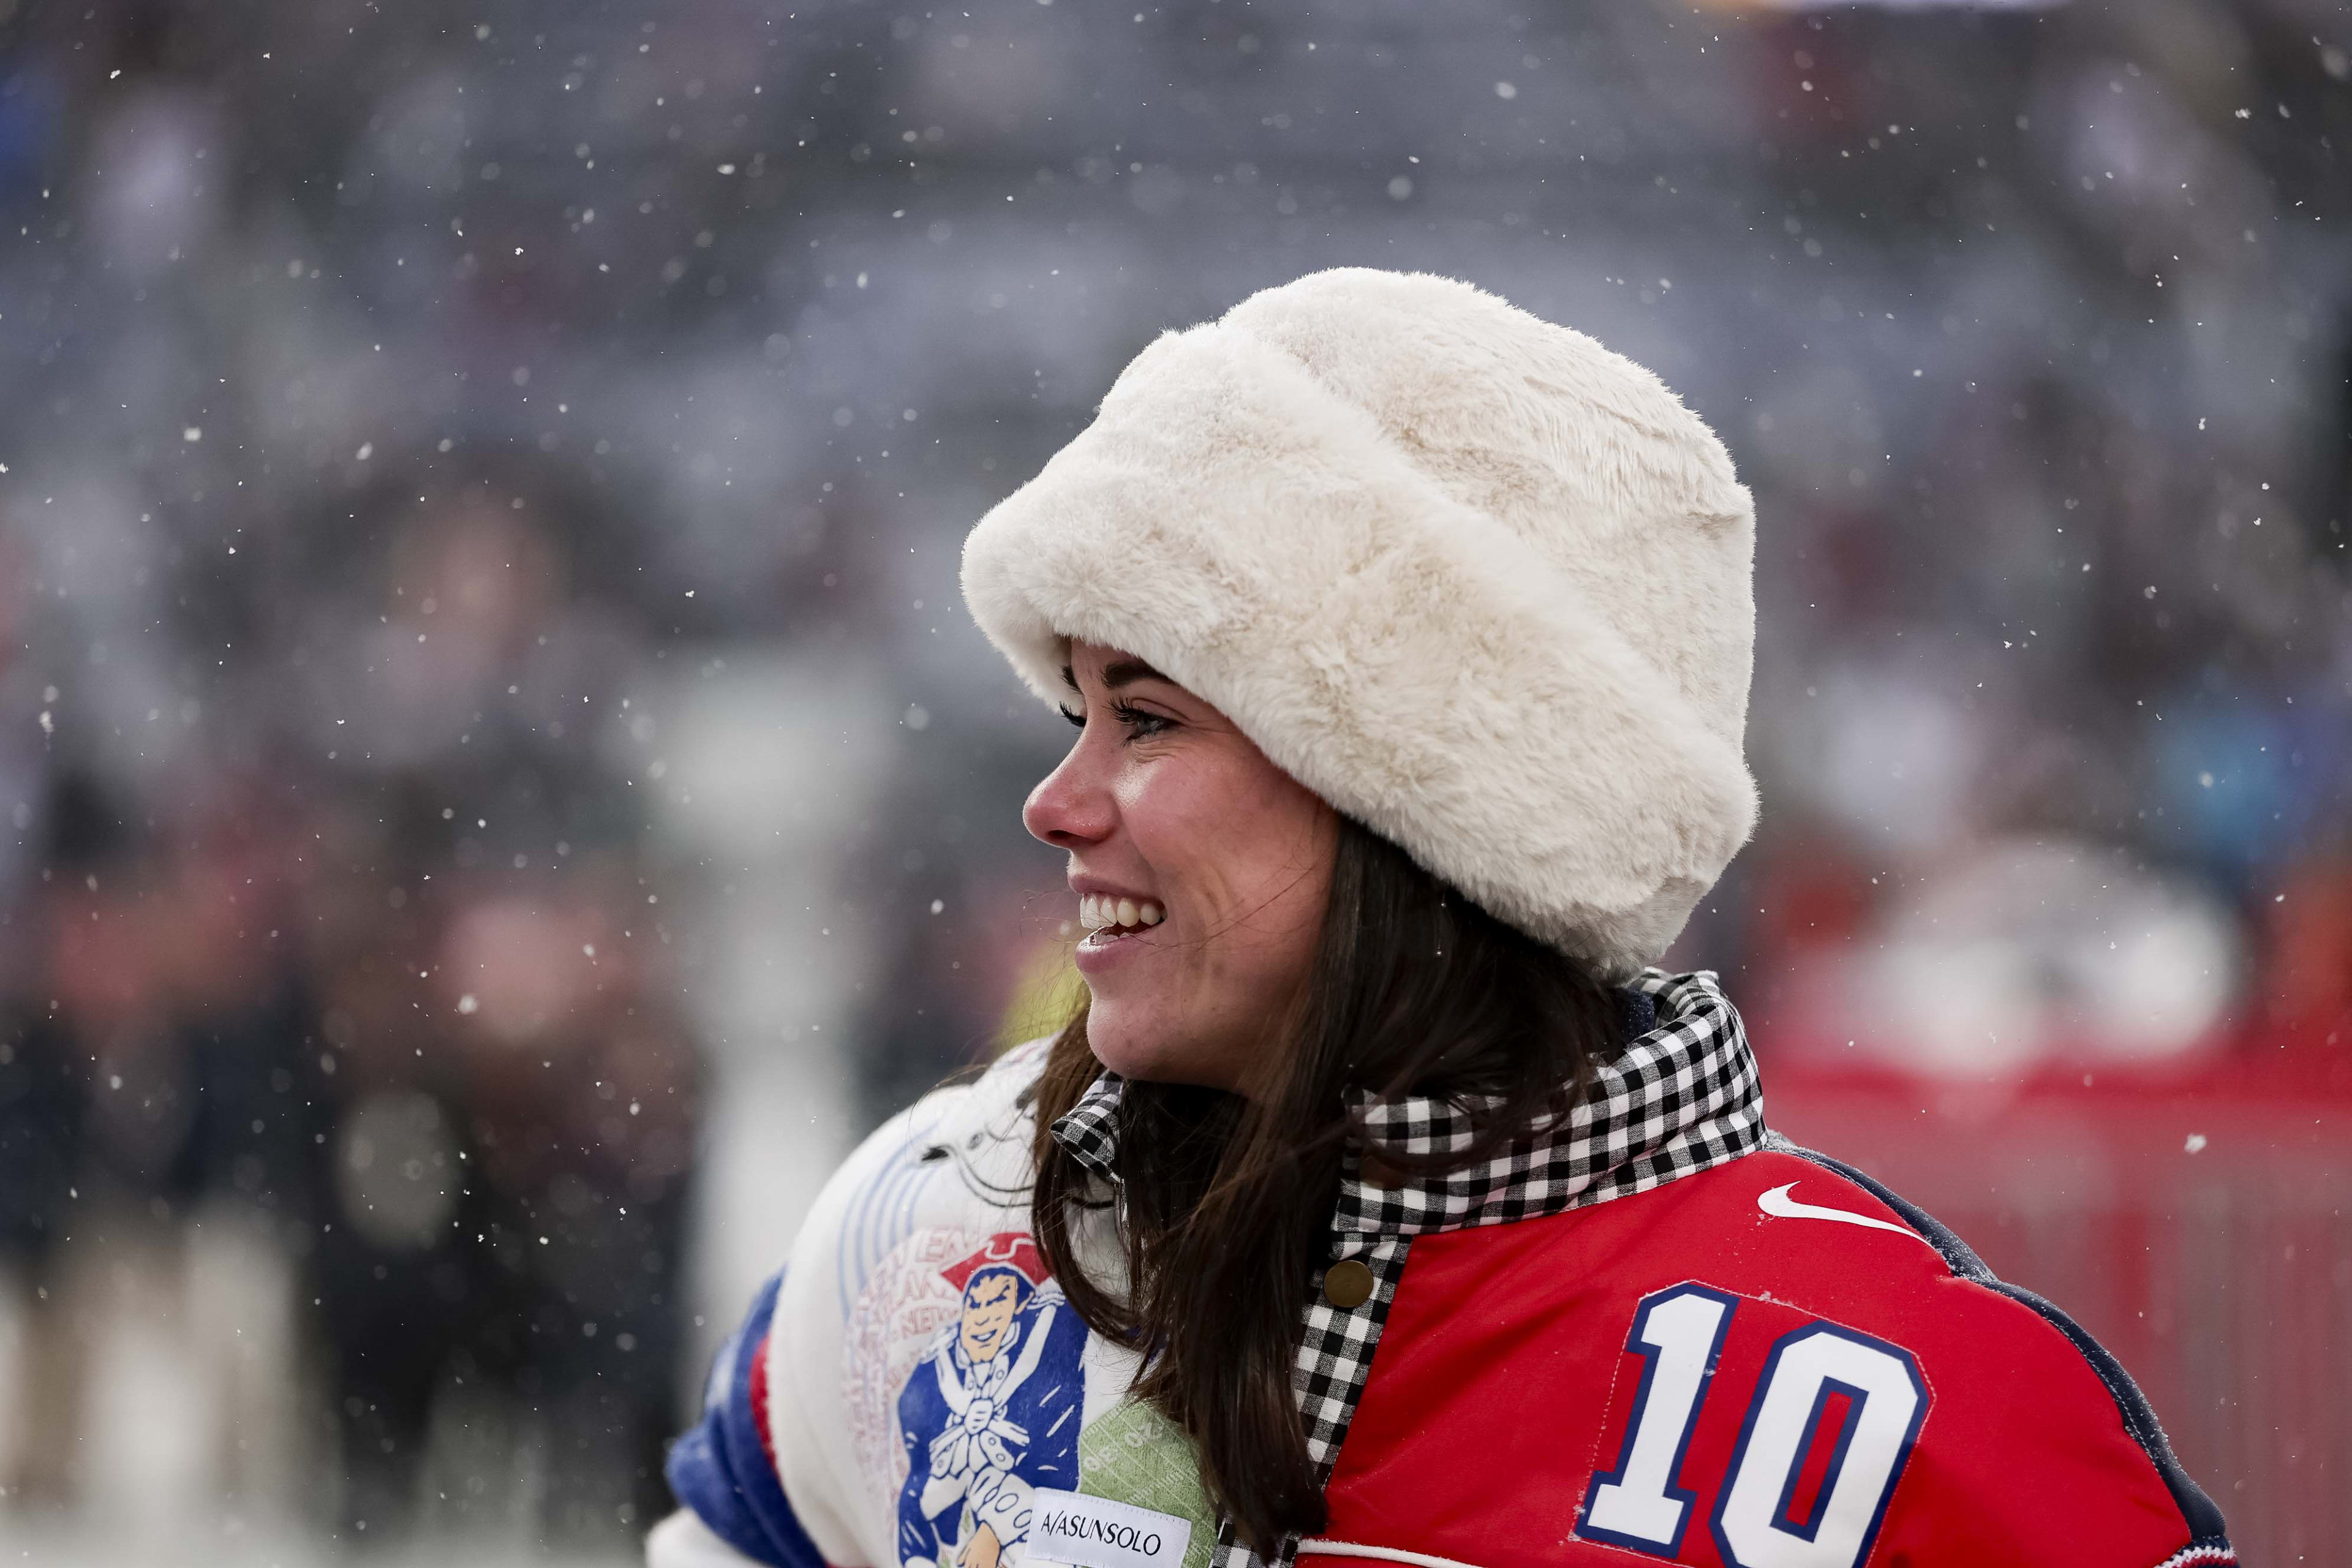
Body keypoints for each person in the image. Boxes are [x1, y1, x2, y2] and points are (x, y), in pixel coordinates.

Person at [650, 270, 2234, 1568]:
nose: (1055, 804)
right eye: (1075, 711)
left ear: (1417, 800)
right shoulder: (950, 1233)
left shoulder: (1922, 1423)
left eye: (1146, 719)